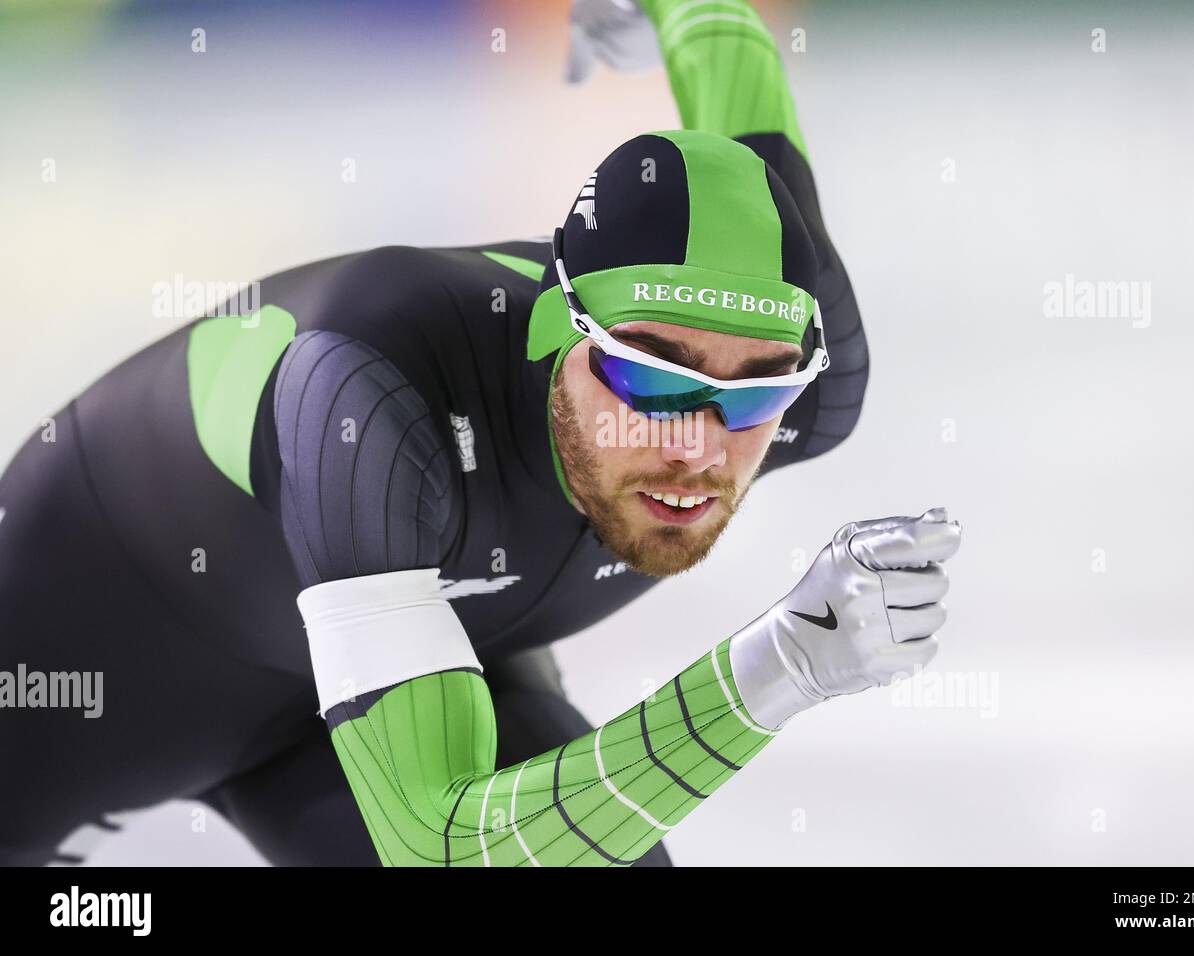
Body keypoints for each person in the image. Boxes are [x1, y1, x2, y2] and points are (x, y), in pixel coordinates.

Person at [0, 0, 958, 866]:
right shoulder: (371, 389)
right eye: (650, 381)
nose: (702, 447)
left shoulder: (807, 367)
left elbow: (736, 74)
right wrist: (775, 672)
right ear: (559, 334)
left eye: (757, 395)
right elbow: (437, 851)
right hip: (84, 660)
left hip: (402, 673)